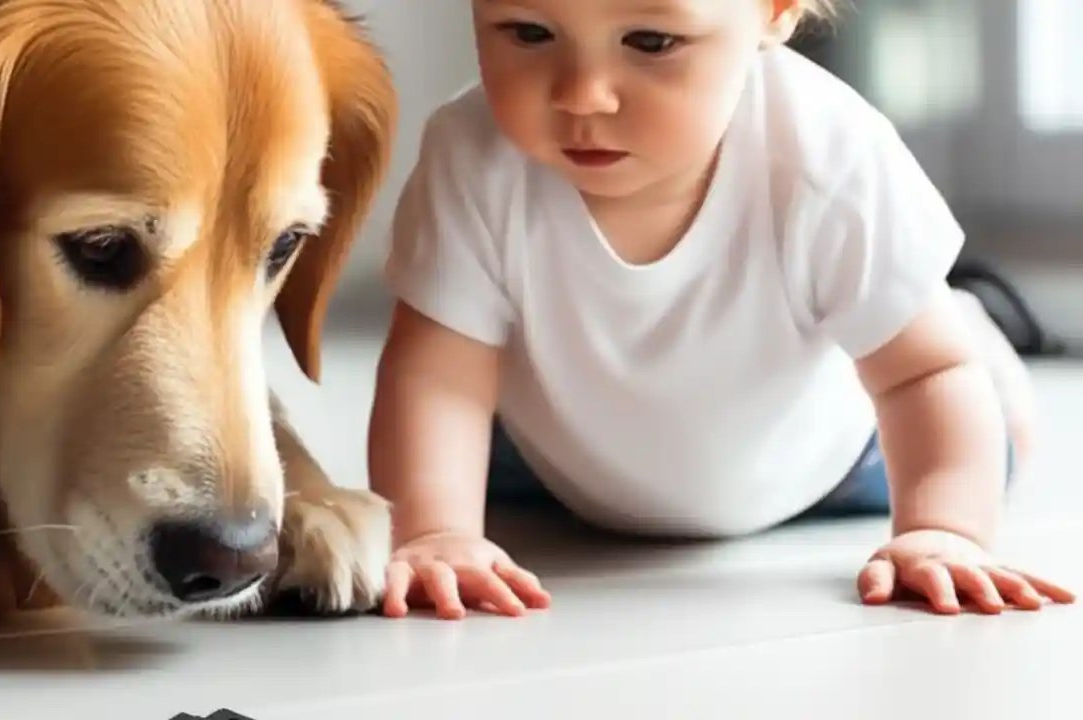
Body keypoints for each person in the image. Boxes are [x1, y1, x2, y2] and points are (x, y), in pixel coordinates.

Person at [367, 0, 1075, 620]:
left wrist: (945, 530)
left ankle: (964, 323)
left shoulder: (825, 155)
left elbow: (922, 377)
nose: (582, 95)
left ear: (774, 12)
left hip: (823, 461)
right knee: (453, 451)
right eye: (526, 32)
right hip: (566, 457)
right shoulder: (471, 156)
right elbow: (437, 376)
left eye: (649, 41)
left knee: (971, 424)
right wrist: (435, 531)